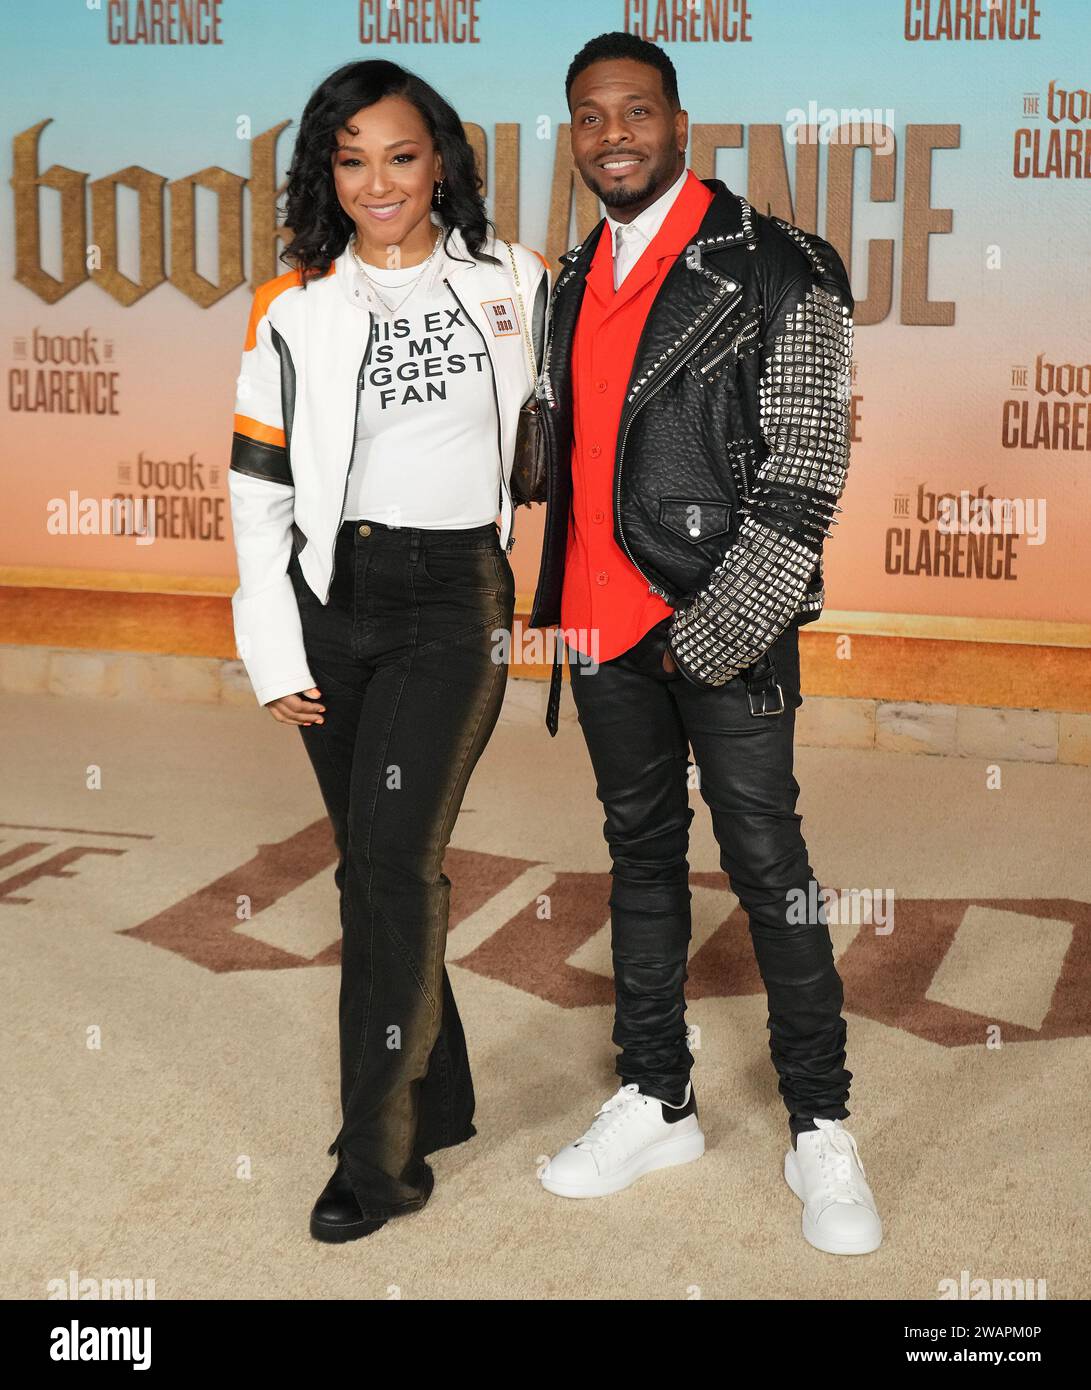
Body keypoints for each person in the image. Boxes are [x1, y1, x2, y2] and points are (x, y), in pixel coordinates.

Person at [528, 31, 882, 1256]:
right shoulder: (567, 277)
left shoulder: (782, 267)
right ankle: (656, 1096)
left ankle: (820, 1127)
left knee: (767, 859)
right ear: (571, 136)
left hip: (719, 621)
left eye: (633, 112)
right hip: (599, 627)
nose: (610, 134)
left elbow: (806, 469)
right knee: (636, 856)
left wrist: (723, 626)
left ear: (680, 124)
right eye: (587, 116)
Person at [227, 59, 549, 1243]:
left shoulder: (516, 280)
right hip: (331, 598)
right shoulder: (290, 306)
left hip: (451, 601)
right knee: (371, 863)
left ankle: (378, 1158)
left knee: (391, 867)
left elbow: (557, 442)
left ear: (442, 162)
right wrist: (272, 647)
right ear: (327, 173)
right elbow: (255, 492)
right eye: (350, 159)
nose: (378, 183)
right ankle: (442, 1094)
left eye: (401, 156)